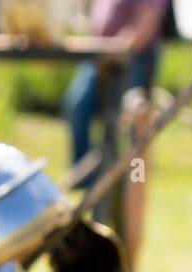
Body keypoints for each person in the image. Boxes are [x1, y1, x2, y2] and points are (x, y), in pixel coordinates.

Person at [62, 0, 169, 183]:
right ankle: (88, 180)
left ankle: (119, 185)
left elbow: (144, 29)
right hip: (99, 58)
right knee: (76, 106)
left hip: (132, 61)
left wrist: (115, 48)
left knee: (121, 129)